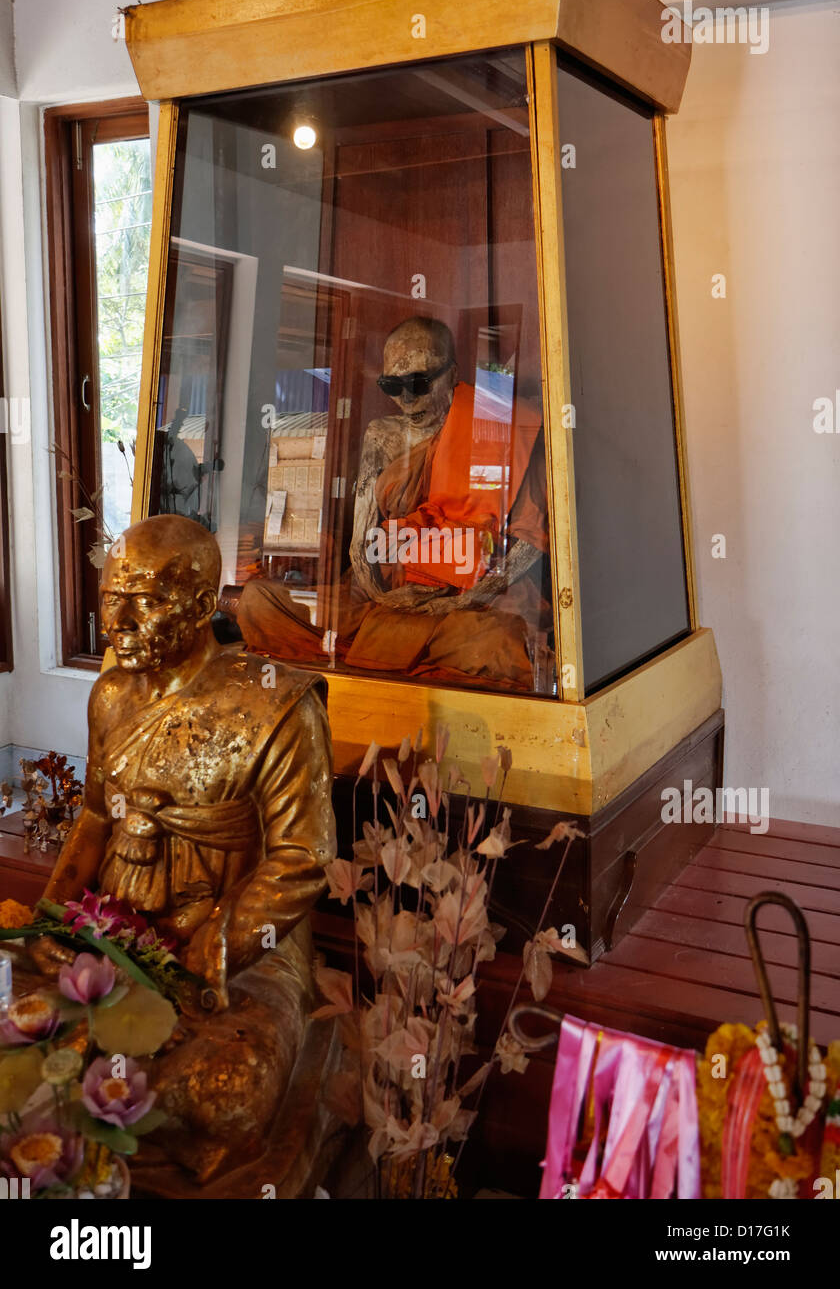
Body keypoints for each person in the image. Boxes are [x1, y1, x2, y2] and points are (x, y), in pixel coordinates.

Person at [33, 513, 336, 1185]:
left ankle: (90, 1116)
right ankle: (96, 1112)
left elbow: (303, 857)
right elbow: (91, 818)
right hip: (110, 927)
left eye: (144, 602)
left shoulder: (276, 706)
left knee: (228, 1087)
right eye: (112, 597)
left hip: (231, 954)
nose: (119, 621)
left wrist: (220, 946)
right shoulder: (112, 695)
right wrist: (51, 921)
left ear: (202, 606)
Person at [229, 317, 552, 690]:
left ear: (453, 373)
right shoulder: (383, 435)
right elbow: (360, 545)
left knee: (496, 641)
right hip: (380, 595)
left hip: (469, 598)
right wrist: (386, 598)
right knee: (259, 600)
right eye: (392, 386)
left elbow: (528, 539)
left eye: (418, 383)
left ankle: (376, 649)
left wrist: (454, 604)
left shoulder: (493, 427)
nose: (407, 399)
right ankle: (377, 645)